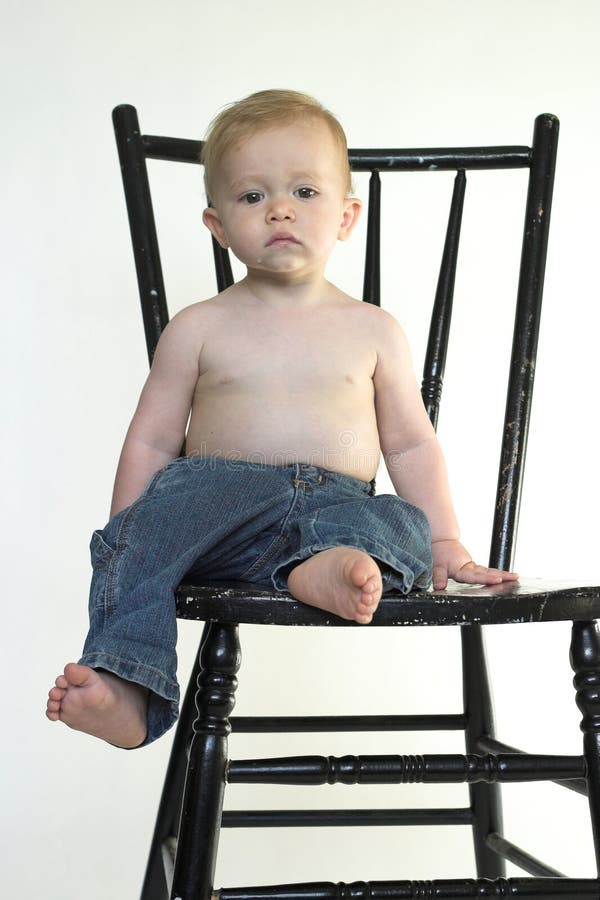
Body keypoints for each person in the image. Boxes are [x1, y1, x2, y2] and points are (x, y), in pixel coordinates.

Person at [46, 89, 517, 750]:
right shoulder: (198, 327)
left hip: (339, 511)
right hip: (217, 507)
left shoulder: (374, 329)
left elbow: (410, 444)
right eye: (251, 197)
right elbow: (152, 439)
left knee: (402, 525)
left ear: (348, 216)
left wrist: (445, 541)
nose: (280, 209)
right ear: (217, 226)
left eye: (304, 190)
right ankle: (127, 683)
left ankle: (320, 570)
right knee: (135, 544)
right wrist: (134, 528)